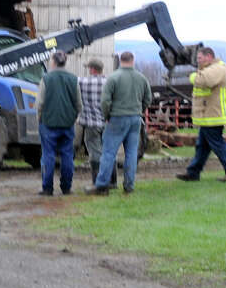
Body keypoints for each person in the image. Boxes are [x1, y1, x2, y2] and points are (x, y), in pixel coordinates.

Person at [88, 51, 151, 195]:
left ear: (120, 60)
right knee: (131, 153)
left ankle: (102, 185)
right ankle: (129, 185)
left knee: (109, 153)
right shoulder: (142, 78)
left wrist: (107, 116)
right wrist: (139, 110)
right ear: (132, 61)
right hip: (135, 119)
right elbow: (148, 98)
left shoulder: (113, 77)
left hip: (116, 118)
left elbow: (105, 101)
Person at [176, 46, 226, 182]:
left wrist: (193, 76)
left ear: (209, 56)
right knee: (202, 146)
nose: (198, 61)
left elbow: (204, 81)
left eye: (200, 58)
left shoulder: (216, 69)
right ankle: (193, 172)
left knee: (217, 145)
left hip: (213, 115)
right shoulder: (215, 68)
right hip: (210, 115)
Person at [36, 51, 80, 195]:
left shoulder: (46, 79)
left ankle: (47, 188)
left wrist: (39, 118)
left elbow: (40, 103)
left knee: (48, 155)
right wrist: (73, 118)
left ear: (53, 62)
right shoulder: (73, 79)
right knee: (67, 155)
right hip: (67, 124)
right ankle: (66, 187)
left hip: (48, 123)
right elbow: (78, 104)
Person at [78, 58, 115, 187]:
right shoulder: (110, 82)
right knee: (109, 151)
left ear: (92, 69)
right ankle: (113, 181)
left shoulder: (83, 82)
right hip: (109, 123)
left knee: (95, 152)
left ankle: (98, 180)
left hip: (91, 124)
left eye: (89, 68)